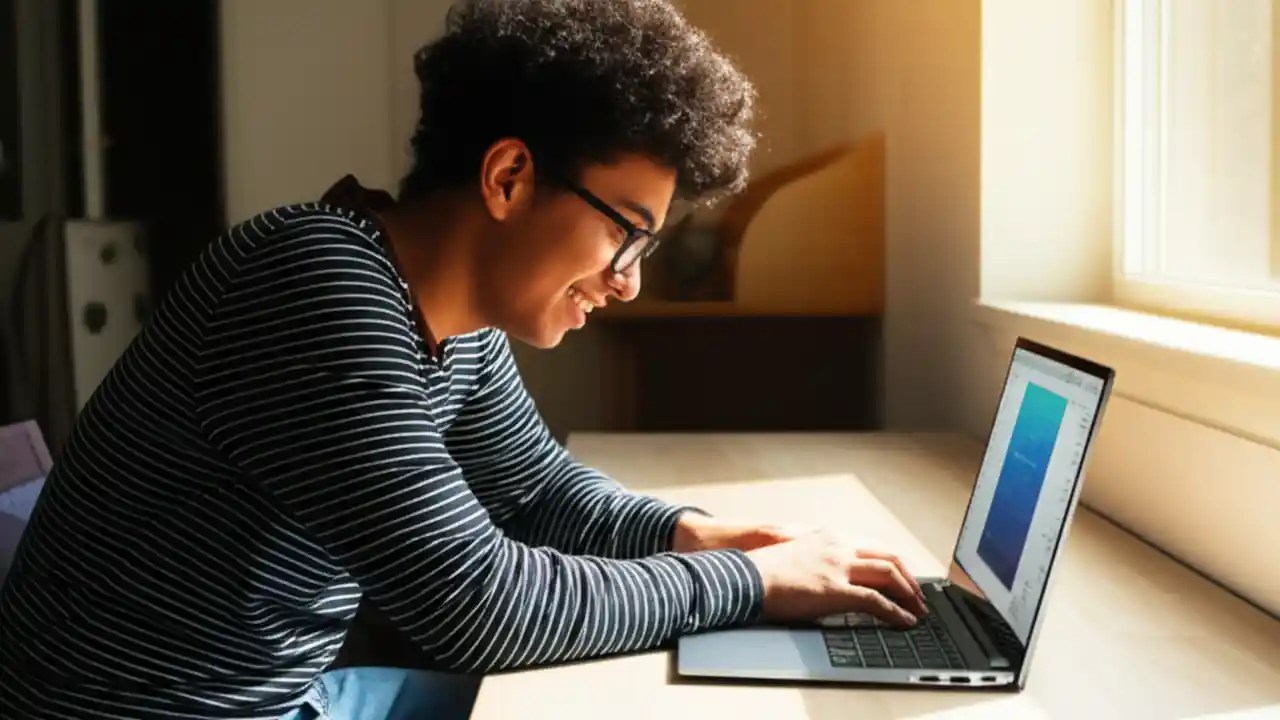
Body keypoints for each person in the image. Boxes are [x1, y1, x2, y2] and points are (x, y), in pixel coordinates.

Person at [0, 1, 927, 718]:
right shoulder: (318, 285)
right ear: (509, 178)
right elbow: (474, 601)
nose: (628, 283)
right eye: (627, 235)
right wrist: (751, 584)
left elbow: (535, 490)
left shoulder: (449, 320)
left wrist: (691, 534)